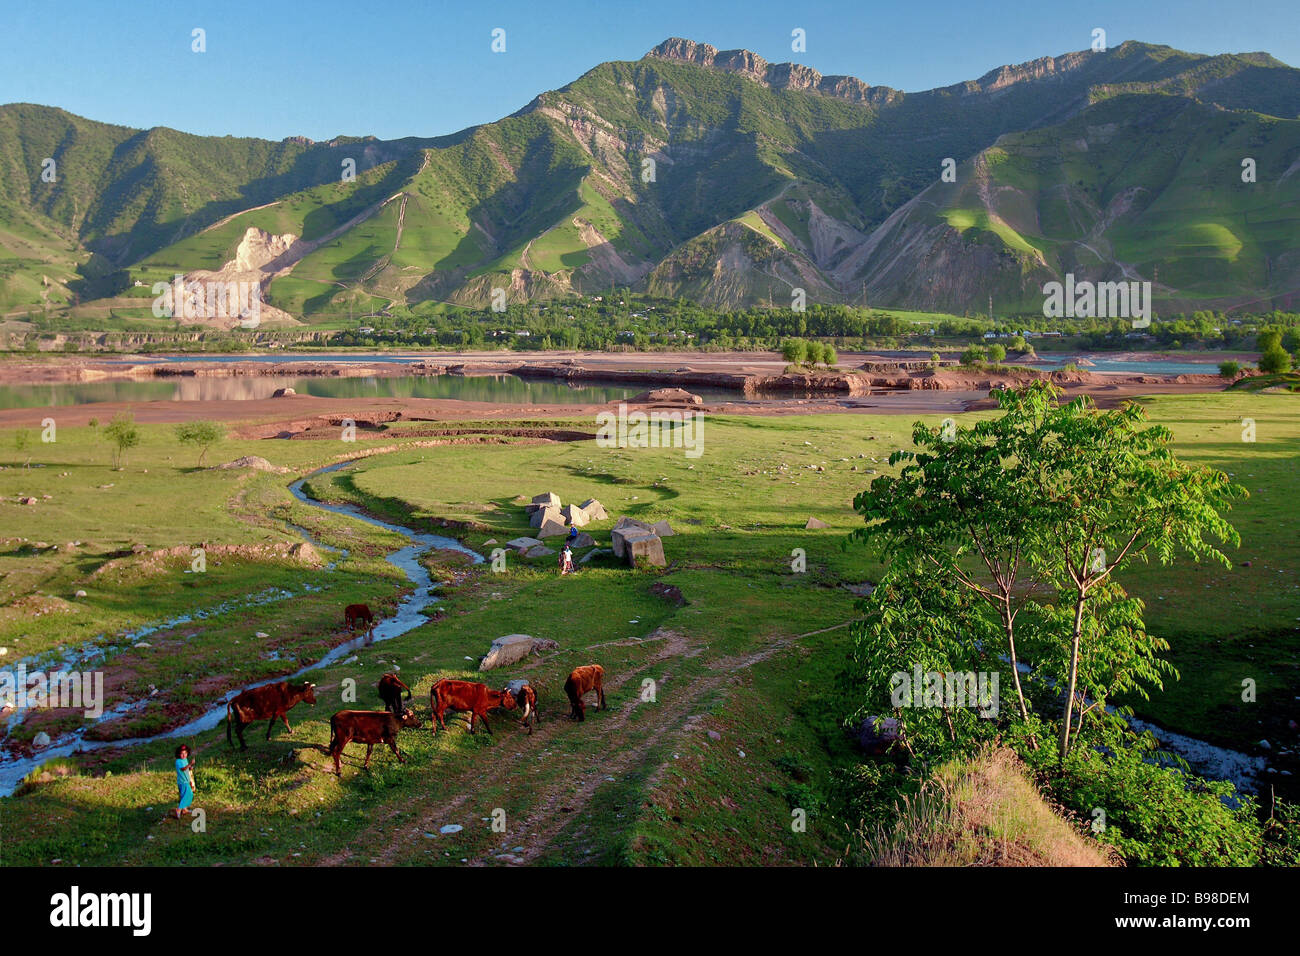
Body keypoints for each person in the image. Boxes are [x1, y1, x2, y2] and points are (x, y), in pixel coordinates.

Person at [172, 743, 195, 819]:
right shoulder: (178, 761)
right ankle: (178, 809)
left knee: (183, 795)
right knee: (189, 794)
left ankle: (184, 809)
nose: (184, 755)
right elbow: (183, 769)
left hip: (186, 780)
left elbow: (187, 768)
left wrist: (190, 767)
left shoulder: (185, 759)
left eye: (185, 753)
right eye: (182, 753)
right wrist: (190, 764)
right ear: (178, 754)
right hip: (182, 782)